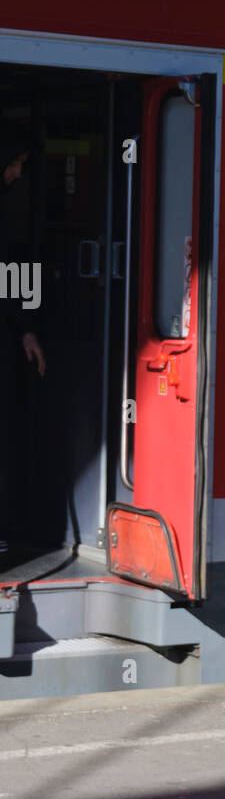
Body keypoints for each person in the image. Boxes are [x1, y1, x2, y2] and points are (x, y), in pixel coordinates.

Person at [0, 147, 46, 553]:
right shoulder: (12, 215)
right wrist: (27, 328)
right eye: (14, 164)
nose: (16, 174)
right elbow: (17, 272)